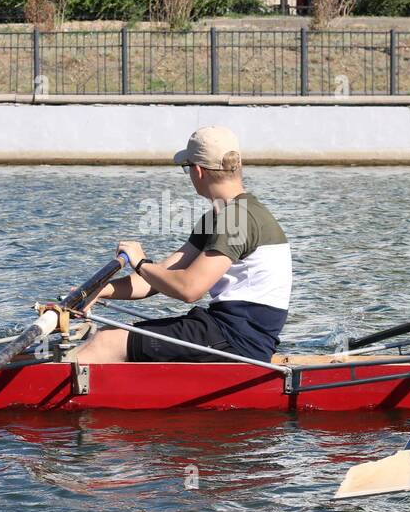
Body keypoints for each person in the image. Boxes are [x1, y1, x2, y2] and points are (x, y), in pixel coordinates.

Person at [71, 126, 291, 364]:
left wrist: (140, 262)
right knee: (107, 336)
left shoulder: (235, 218)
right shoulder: (223, 215)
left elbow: (189, 289)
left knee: (106, 342)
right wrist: (95, 291)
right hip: (226, 330)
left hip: (237, 339)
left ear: (197, 171)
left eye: (186, 168)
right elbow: (162, 276)